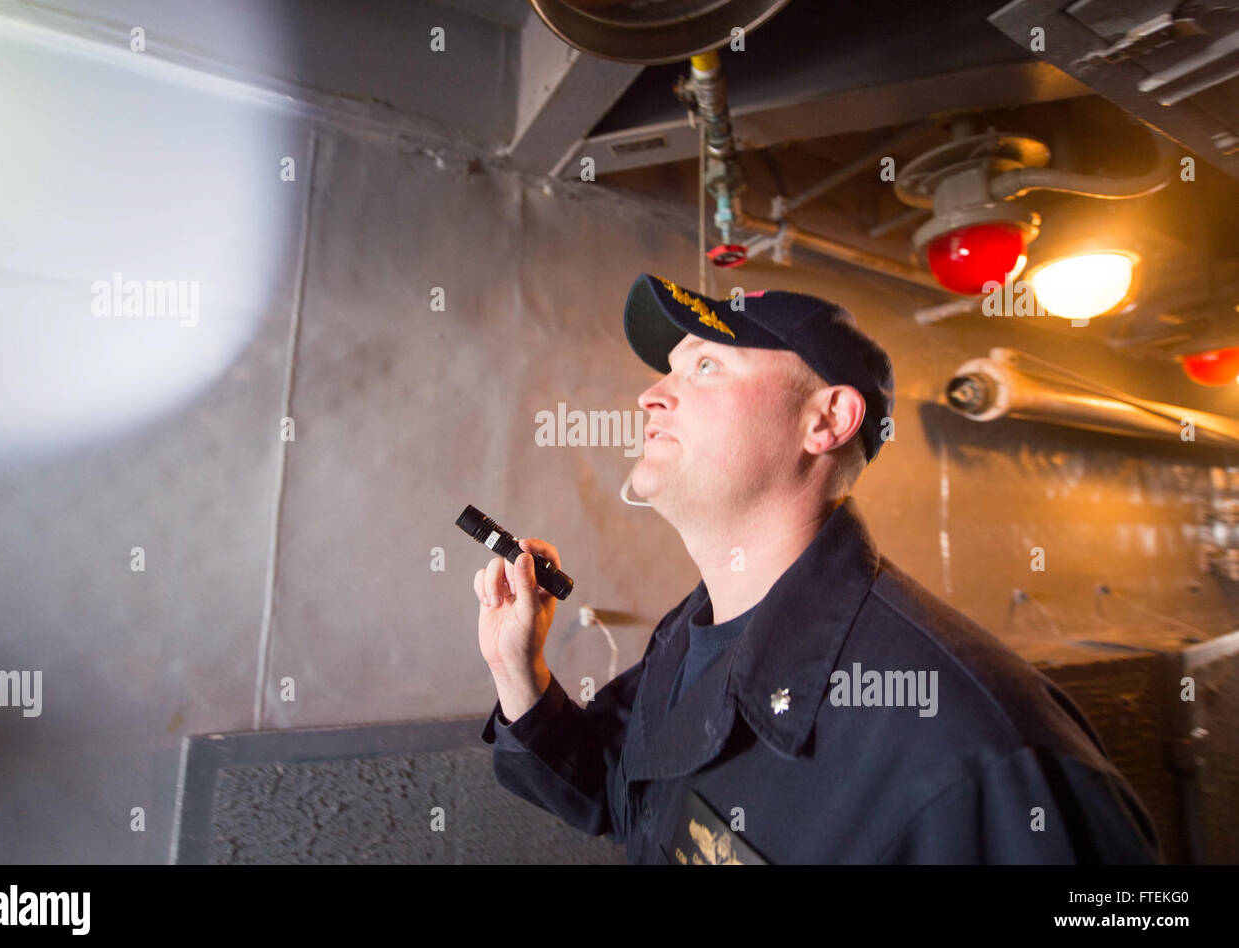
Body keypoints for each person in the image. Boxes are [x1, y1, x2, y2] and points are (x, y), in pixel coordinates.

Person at [473, 272, 1162, 865]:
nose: (651, 395)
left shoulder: (984, 748)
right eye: (670, 368)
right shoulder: (691, 632)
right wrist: (518, 671)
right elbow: (622, 795)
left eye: (705, 364)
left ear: (826, 419)